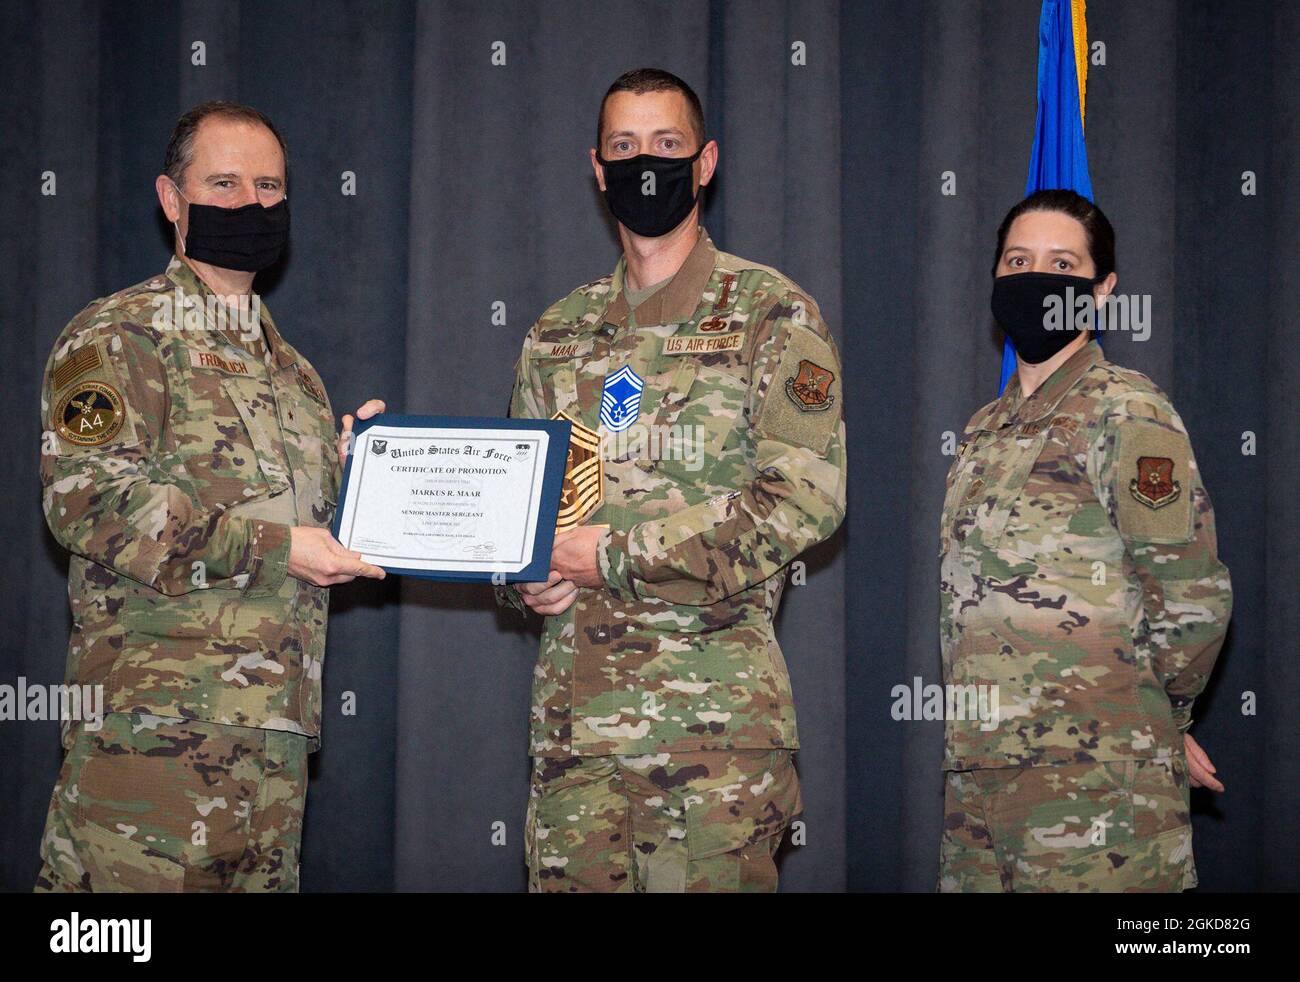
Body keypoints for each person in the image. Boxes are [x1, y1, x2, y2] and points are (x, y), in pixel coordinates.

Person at [498, 68, 846, 893]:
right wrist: (527, 579)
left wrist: (609, 556)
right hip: (575, 744)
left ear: (706, 162)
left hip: (712, 745)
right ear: (595, 166)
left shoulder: (772, 313)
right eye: (623, 147)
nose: (642, 165)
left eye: (665, 145)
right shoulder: (557, 333)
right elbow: (523, 514)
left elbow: (803, 499)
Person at [34, 101, 385, 893]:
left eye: (268, 187)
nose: (251, 205)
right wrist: (276, 548)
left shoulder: (295, 375)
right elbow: (92, 501)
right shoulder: (119, 335)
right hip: (152, 744)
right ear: (171, 199)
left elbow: (314, 539)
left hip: (273, 748)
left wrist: (366, 476)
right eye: (223, 184)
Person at [937, 189, 1232, 892]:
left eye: (1062, 263)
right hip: (982, 781)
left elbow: (1191, 595)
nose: (1036, 277)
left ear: (1101, 292)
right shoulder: (985, 428)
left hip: (1097, 789)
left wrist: (1164, 716)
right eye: (1018, 261)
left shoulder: (1129, 412)